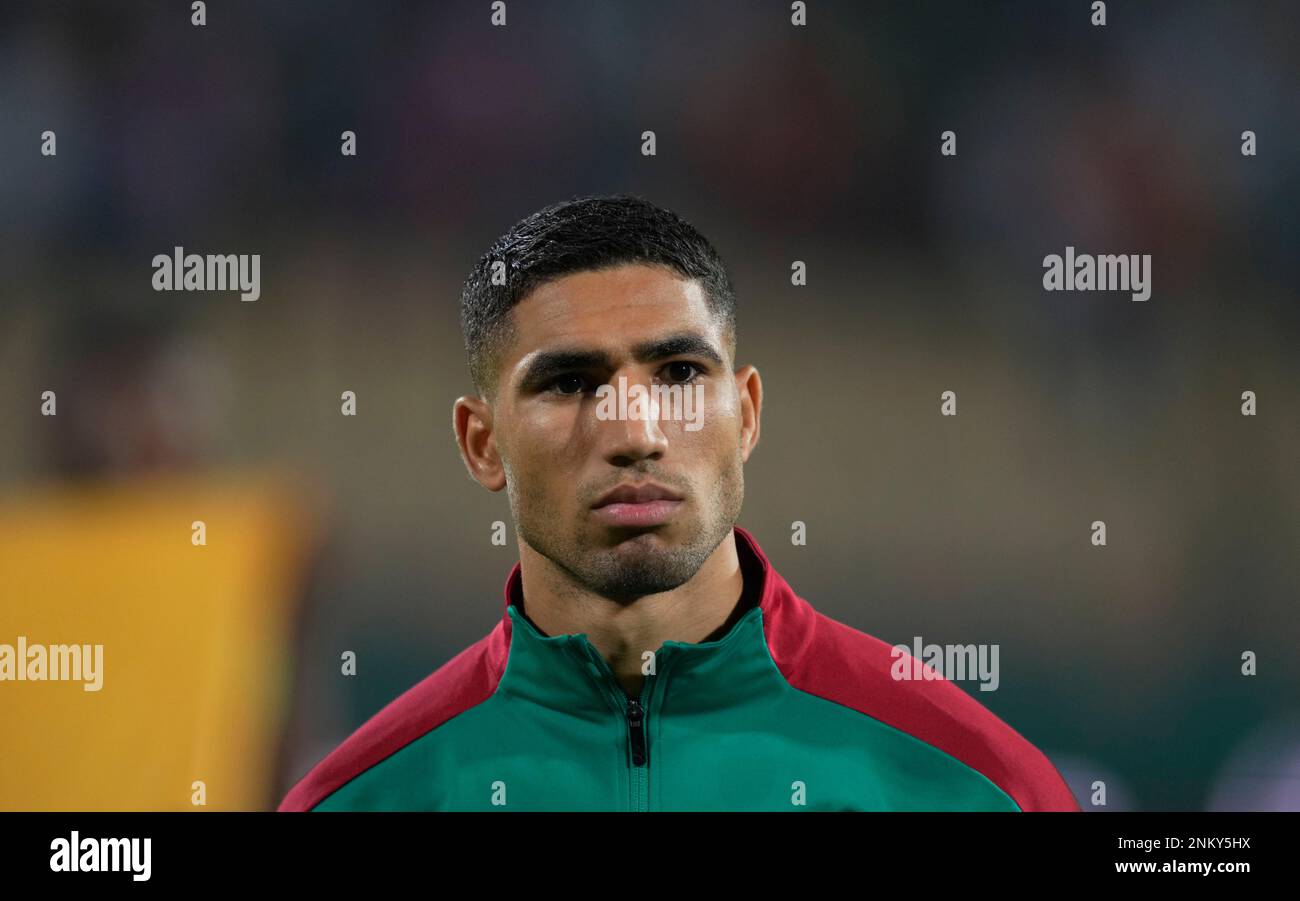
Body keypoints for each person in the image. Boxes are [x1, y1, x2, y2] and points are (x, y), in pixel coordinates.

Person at [279, 194, 1079, 811]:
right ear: (482, 443)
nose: (636, 432)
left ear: (748, 415)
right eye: (570, 383)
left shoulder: (973, 787)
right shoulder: (367, 799)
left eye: (680, 375)